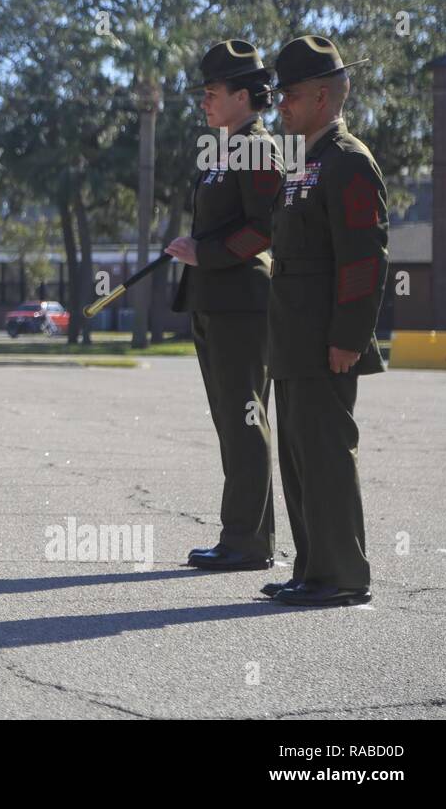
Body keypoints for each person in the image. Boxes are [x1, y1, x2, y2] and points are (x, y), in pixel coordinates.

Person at [263, 35, 387, 607]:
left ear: (322, 96)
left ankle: (341, 576)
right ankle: (312, 569)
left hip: (324, 342)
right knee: (299, 460)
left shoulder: (348, 162)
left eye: (288, 94)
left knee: (327, 458)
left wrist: (348, 339)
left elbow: (363, 259)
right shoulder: (305, 160)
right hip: (292, 339)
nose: (280, 105)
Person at [165, 40, 283, 574]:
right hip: (215, 300)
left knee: (243, 419)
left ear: (242, 95)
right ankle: (246, 536)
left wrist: (204, 253)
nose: (204, 102)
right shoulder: (226, 147)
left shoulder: (257, 147)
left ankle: (246, 542)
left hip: (242, 303)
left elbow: (265, 226)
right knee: (231, 421)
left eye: (212, 93)